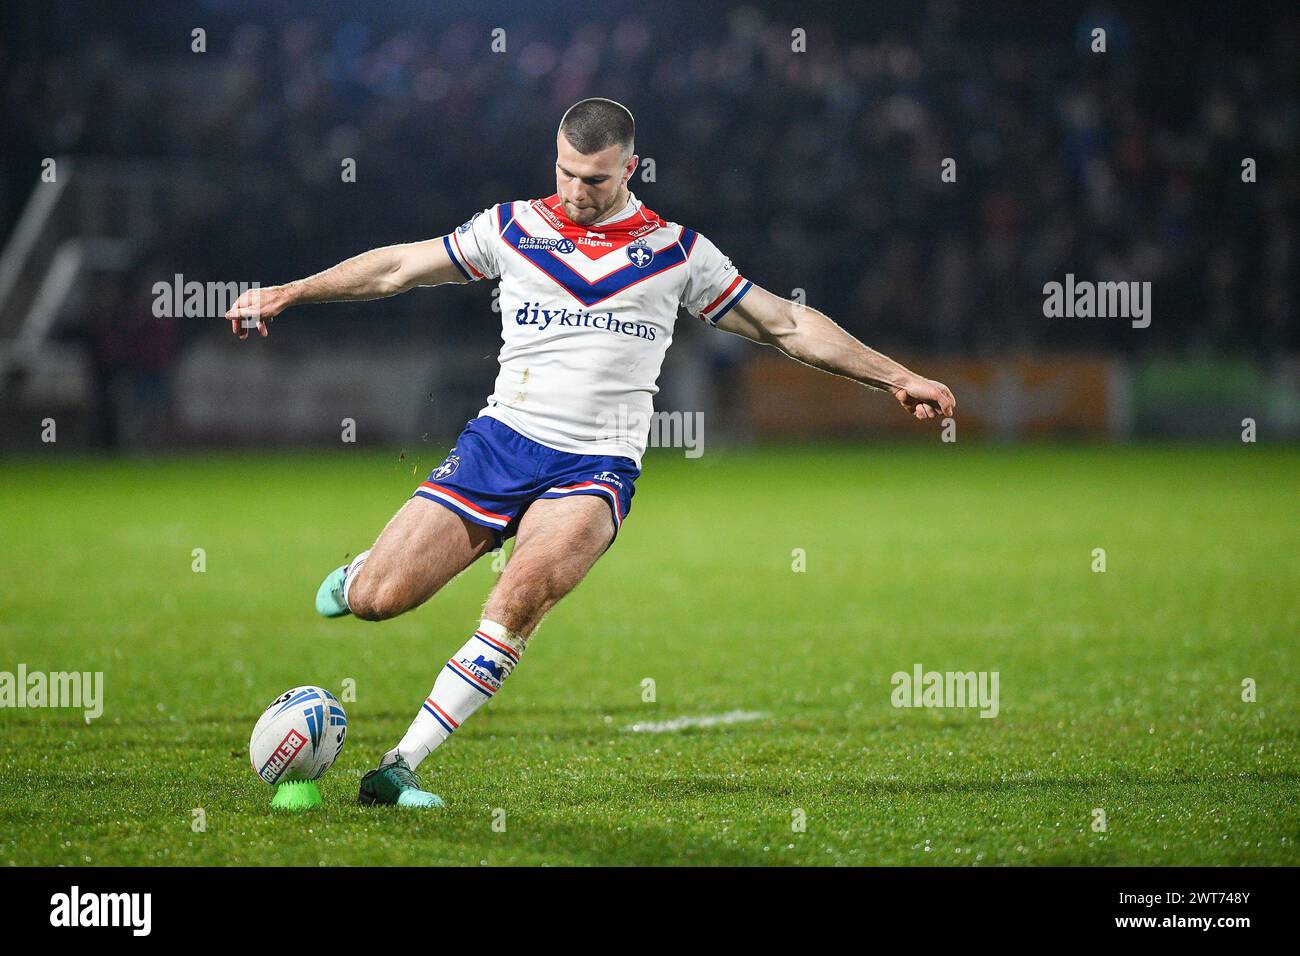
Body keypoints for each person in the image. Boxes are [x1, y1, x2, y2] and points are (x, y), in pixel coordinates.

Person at [224, 97, 956, 807]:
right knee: (380, 602)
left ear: (631, 167)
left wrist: (897, 376)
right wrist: (290, 291)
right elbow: (396, 269)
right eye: (566, 172)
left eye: (596, 179)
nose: (576, 191)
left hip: (596, 467)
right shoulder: (510, 229)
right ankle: (360, 576)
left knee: (516, 604)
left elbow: (788, 324)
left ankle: (399, 766)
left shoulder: (676, 253)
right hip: (499, 445)